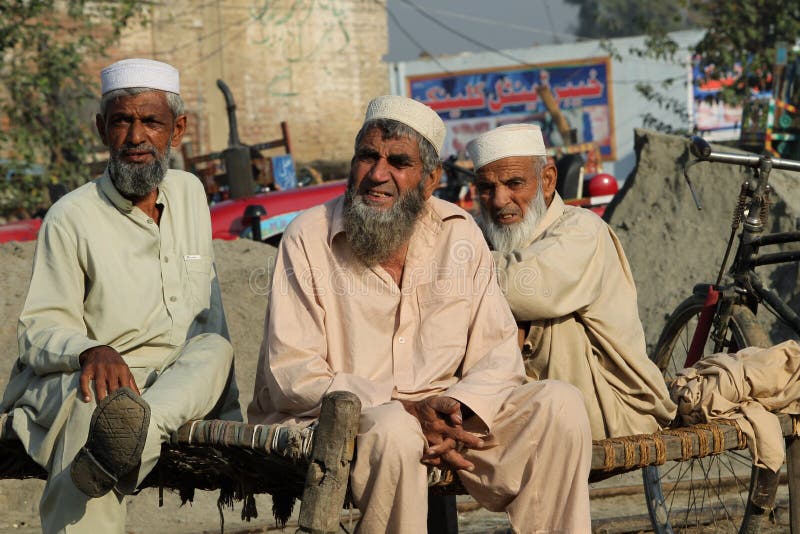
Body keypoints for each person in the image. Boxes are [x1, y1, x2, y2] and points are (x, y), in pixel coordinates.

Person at [249, 95, 592, 533]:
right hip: (348, 420)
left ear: (430, 180)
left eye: (398, 162)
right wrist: (409, 410)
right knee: (394, 430)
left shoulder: (460, 233)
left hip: (449, 421)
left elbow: (499, 355)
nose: (377, 174)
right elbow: (292, 373)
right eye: (367, 157)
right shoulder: (307, 237)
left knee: (559, 405)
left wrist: (458, 413)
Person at [0, 58, 240, 533]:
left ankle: (127, 440)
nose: (135, 137)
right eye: (121, 121)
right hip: (96, 376)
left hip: (174, 383)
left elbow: (210, 314)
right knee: (100, 407)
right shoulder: (71, 217)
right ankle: (118, 438)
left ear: (178, 130)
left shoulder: (191, 194)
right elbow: (38, 331)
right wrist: (93, 349)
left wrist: (230, 414)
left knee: (215, 347)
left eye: (151, 121)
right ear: (101, 129)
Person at [466, 124, 676, 440]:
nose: (498, 200)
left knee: (545, 318)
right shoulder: (481, 237)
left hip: (611, 408)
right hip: (531, 409)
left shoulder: (582, 229)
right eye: (486, 188)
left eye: (514, 184)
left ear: (547, 180)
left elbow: (526, 288)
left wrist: (453, 267)